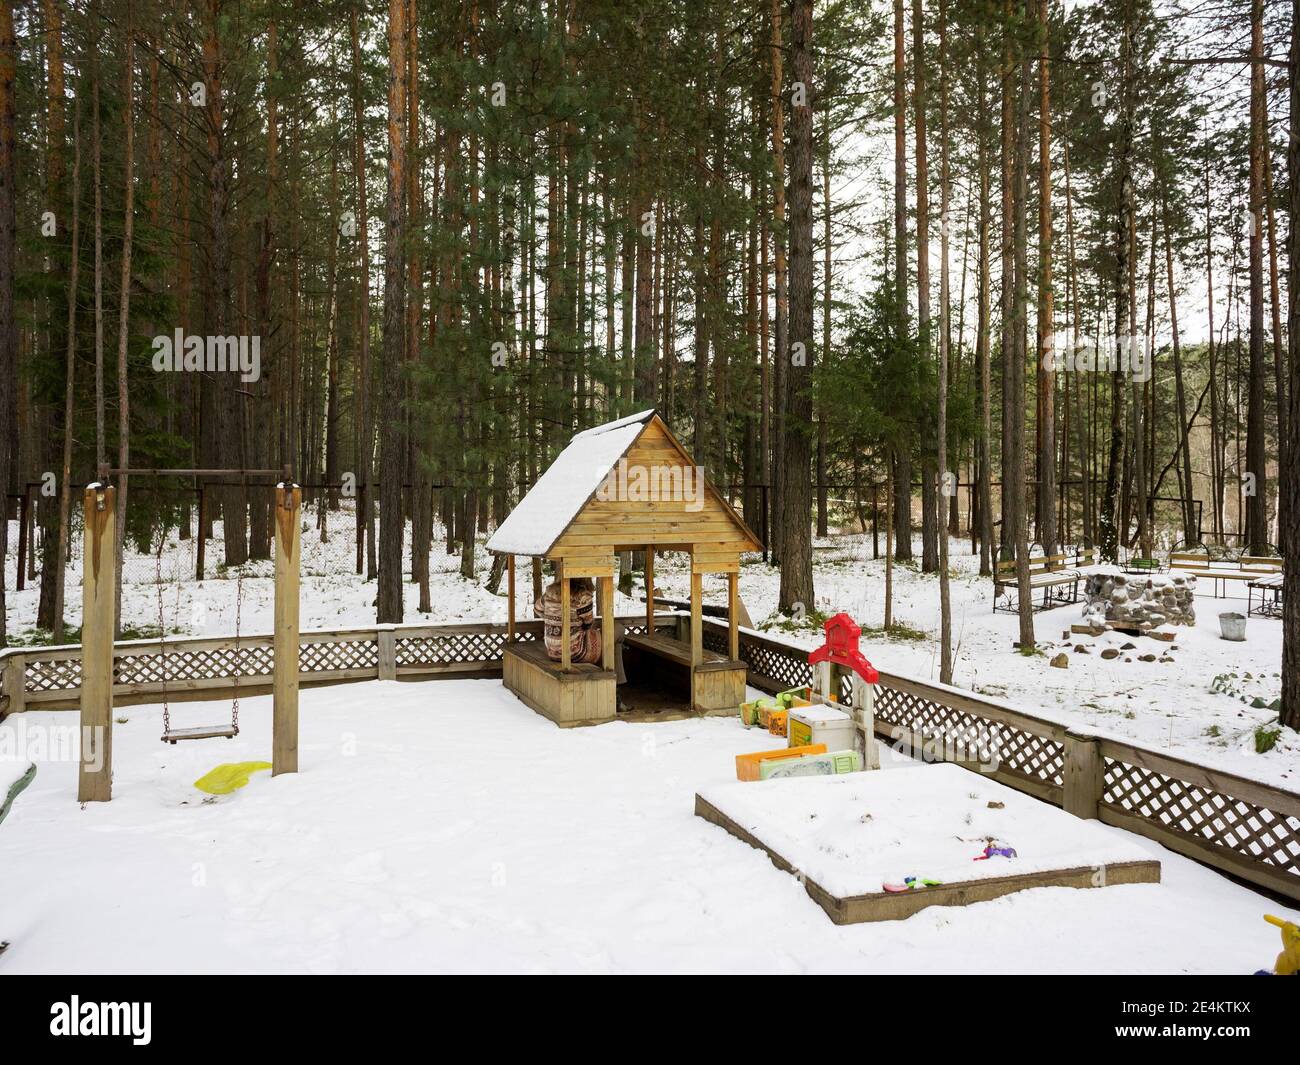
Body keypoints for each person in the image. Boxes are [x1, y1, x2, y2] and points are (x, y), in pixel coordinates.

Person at [533, 577, 628, 686]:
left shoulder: (550, 593)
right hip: (575, 653)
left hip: (553, 652)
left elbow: (537, 609)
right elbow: (588, 623)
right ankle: (616, 684)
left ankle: (616, 683)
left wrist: (553, 618)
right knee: (618, 630)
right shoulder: (583, 596)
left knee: (609, 639)